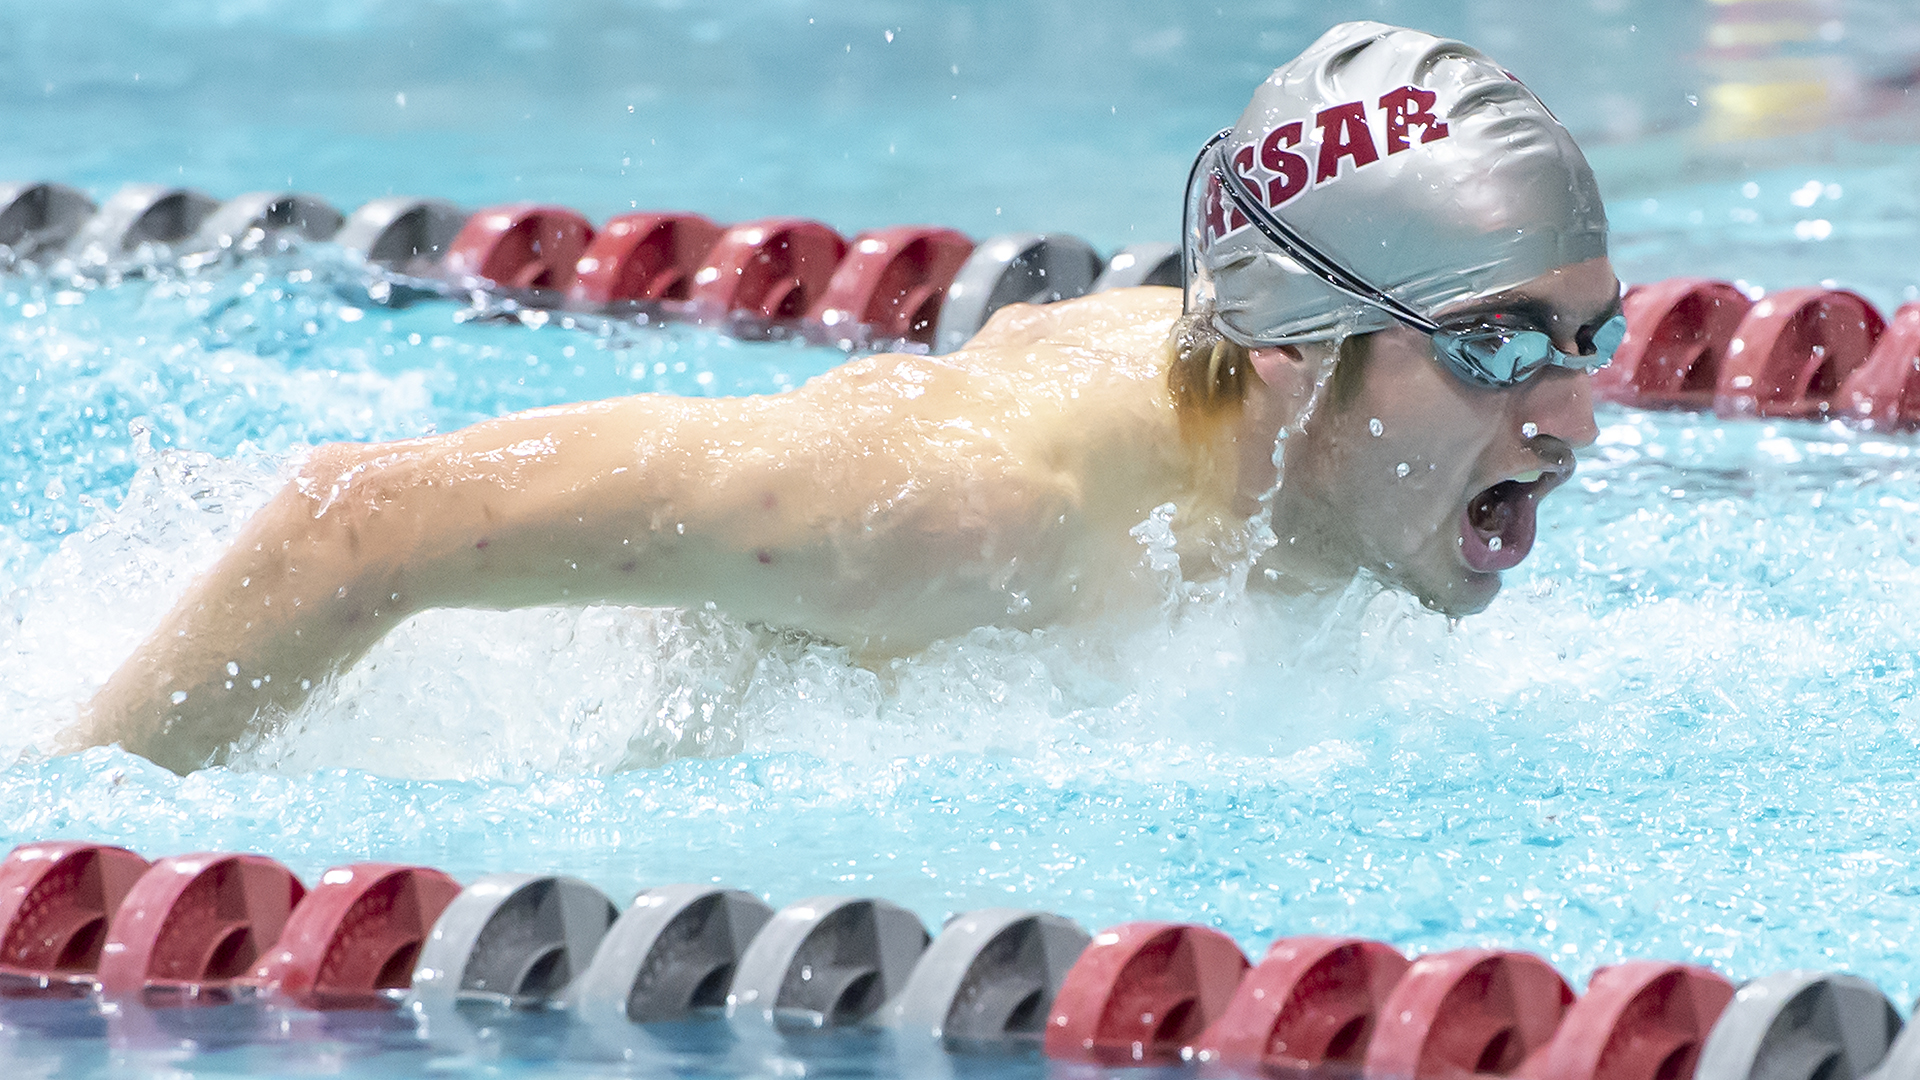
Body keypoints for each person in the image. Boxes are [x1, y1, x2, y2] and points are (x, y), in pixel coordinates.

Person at [62, 21, 1625, 774]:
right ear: (1296, 343)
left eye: (1585, 340)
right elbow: (364, 520)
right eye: (1495, 346)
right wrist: (80, 842)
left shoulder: (1320, 477)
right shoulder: (961, 510)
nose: (1572, 426)